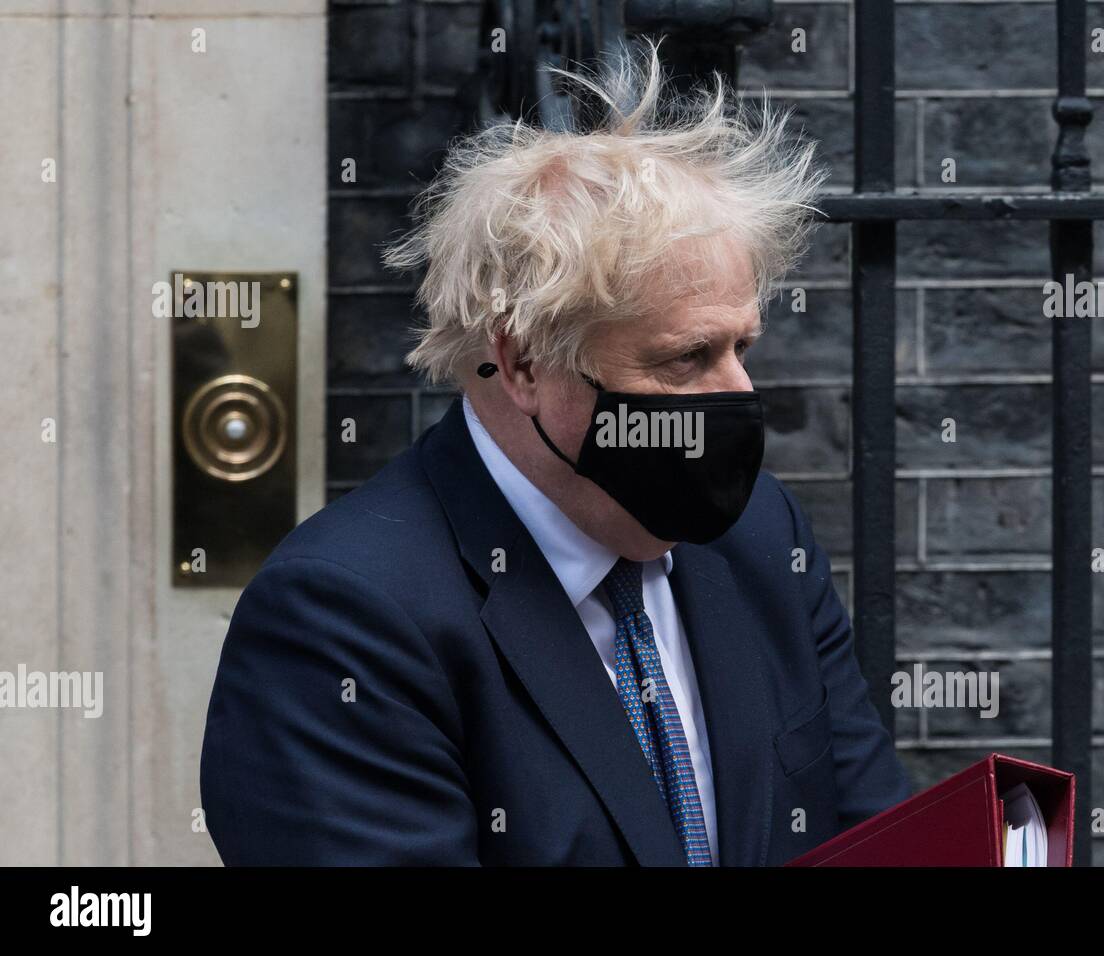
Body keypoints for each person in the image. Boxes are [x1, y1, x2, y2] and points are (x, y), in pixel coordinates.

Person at [199, 40, 911, 866]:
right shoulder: (345, 621)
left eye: (742, 346)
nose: (740, 395)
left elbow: (876, 834)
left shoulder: (759, 537)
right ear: (526, 361)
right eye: (686, 358)